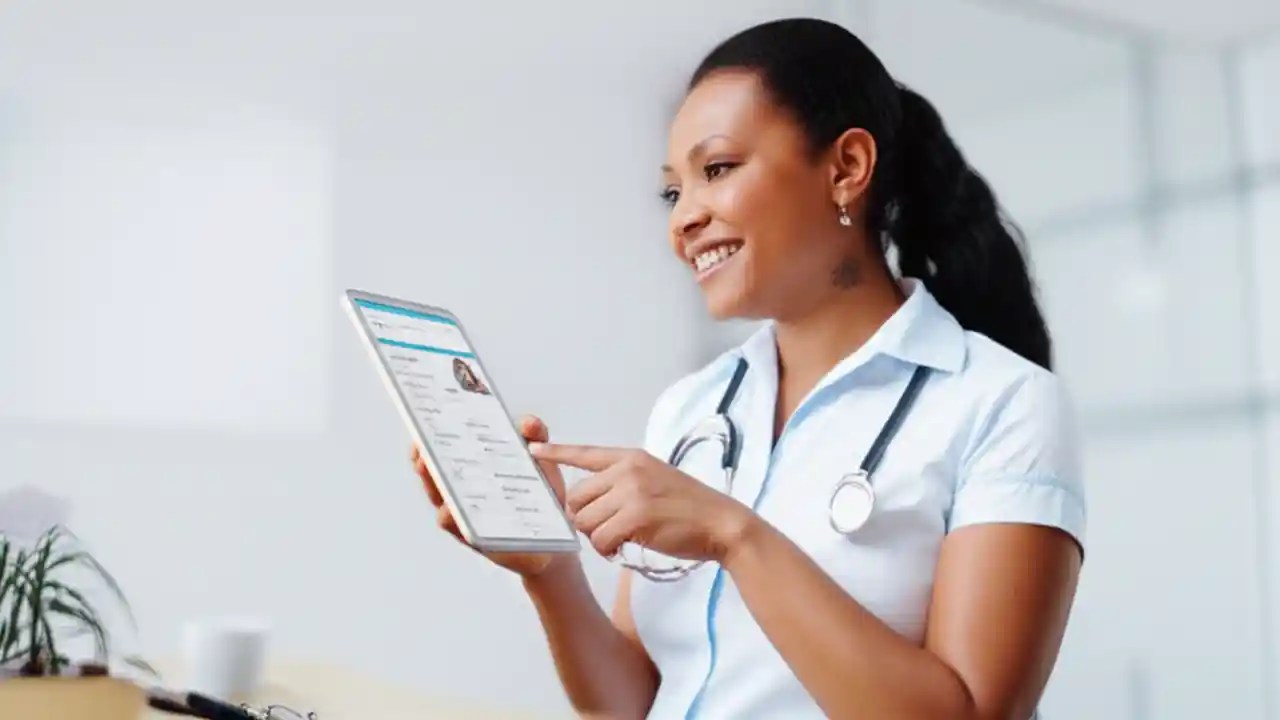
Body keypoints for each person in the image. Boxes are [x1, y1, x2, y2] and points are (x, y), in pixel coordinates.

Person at [411, 17, 1083, 720]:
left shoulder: (1002, 403)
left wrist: (734, 534)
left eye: (718, 170)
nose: (684, 219)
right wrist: (550, 572)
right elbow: (633, 704)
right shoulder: (693, 407)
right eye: (674, 192)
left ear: (847, 168)